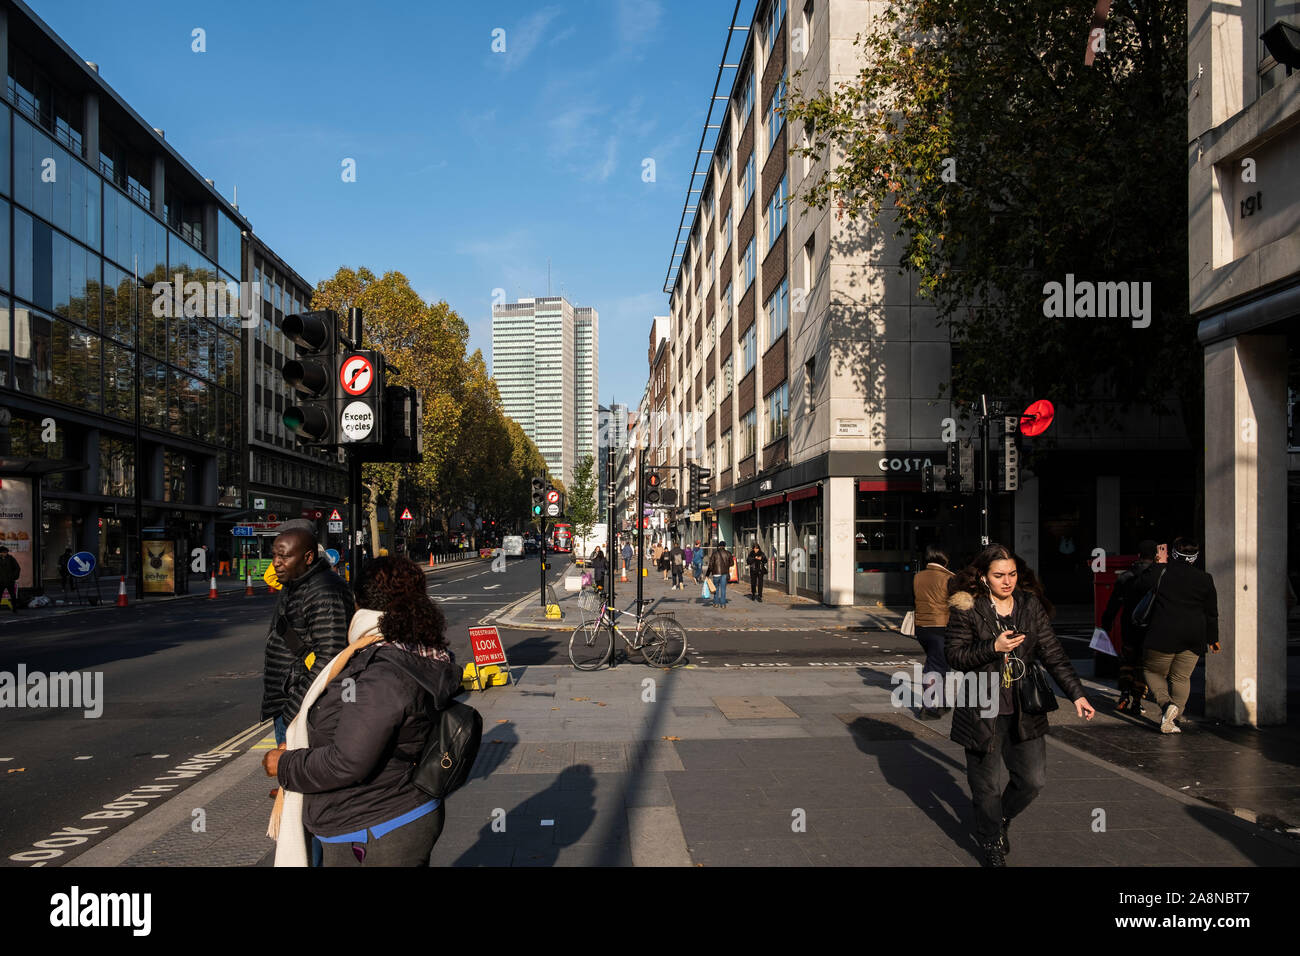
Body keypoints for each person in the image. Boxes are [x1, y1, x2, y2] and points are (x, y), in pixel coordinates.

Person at [265, 556, 461, 866]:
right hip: (390, 813)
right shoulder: (413, 650)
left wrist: (286, 765)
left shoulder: (384, 671)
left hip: (376, 825)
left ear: (361, 604)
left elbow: (348, 762)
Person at [945, 543, 1094, 867]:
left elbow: (1053, 653)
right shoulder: (967, 608)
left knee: (1032, 780)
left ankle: (1000, 819)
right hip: (982, 707)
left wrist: (1077, 694)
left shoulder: (1028, 605)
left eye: (1012, 574)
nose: (1007, 581)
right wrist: (992, 647)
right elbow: (955, 656)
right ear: (984, 577)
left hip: (1026, 708)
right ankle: (991, 841)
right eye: (999, 575)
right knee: (985, 785)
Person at [261, 526, 353, 837]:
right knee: (297, 801)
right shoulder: (298, 584)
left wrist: (293, 709)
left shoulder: (324, 591)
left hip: (303, 710)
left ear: (308, 557)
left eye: (283, 556)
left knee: (307, 806)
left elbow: (331, 657)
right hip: (291, 702)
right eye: (274, 554)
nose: (275, 562)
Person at [1136, 537, 1219, 735]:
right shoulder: (1205, 578)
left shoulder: (1162, 573)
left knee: (1152, 671)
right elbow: (1211, 612)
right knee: (1181, 677)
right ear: (1195, 557)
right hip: (1194, 635)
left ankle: (1166, 705)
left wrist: (1159, 563)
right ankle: (1173, 719)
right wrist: (1213, 638)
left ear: (1173, 554)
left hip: (1163, 634)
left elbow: (1141, 584)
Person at [1099, 540, 1160, 714]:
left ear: (1139, 555)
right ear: (1155, 556)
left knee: (1127, 661)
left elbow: (1114, 603)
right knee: (1142, 664)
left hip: (1128, 624)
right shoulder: (1157, 577)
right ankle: (1137, 700)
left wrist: (1107, 622)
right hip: (1149, 627)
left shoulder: (1126, 576)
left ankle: (1124, 694)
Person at [911, 545, 954, 719]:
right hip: (941, 627)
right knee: (934, 667)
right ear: (945, 559)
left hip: (922, 628)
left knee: (939, 665)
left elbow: (912, 600)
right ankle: (927, 707)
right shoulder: (950, 578)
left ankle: (943, 703)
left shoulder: (917, 577)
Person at [707, 540, 733, 608]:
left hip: (716, 573)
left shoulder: (714, 554)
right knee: (723, 589)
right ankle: (723, 604)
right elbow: (732, 563)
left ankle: (716, 603)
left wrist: (707, 574)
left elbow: (710, 565)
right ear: (724, 546)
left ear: (719, 546)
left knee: (716, 588)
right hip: (724, 573)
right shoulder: (728, 553)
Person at [0, 546, 20, 612]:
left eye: (5, 552)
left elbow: (17, 568)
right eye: (3, 552)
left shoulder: (11, 558)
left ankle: (14, 608)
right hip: (1, 581)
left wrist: (13, 577)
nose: (5, 553)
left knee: (13, 595)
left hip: (10, 580)